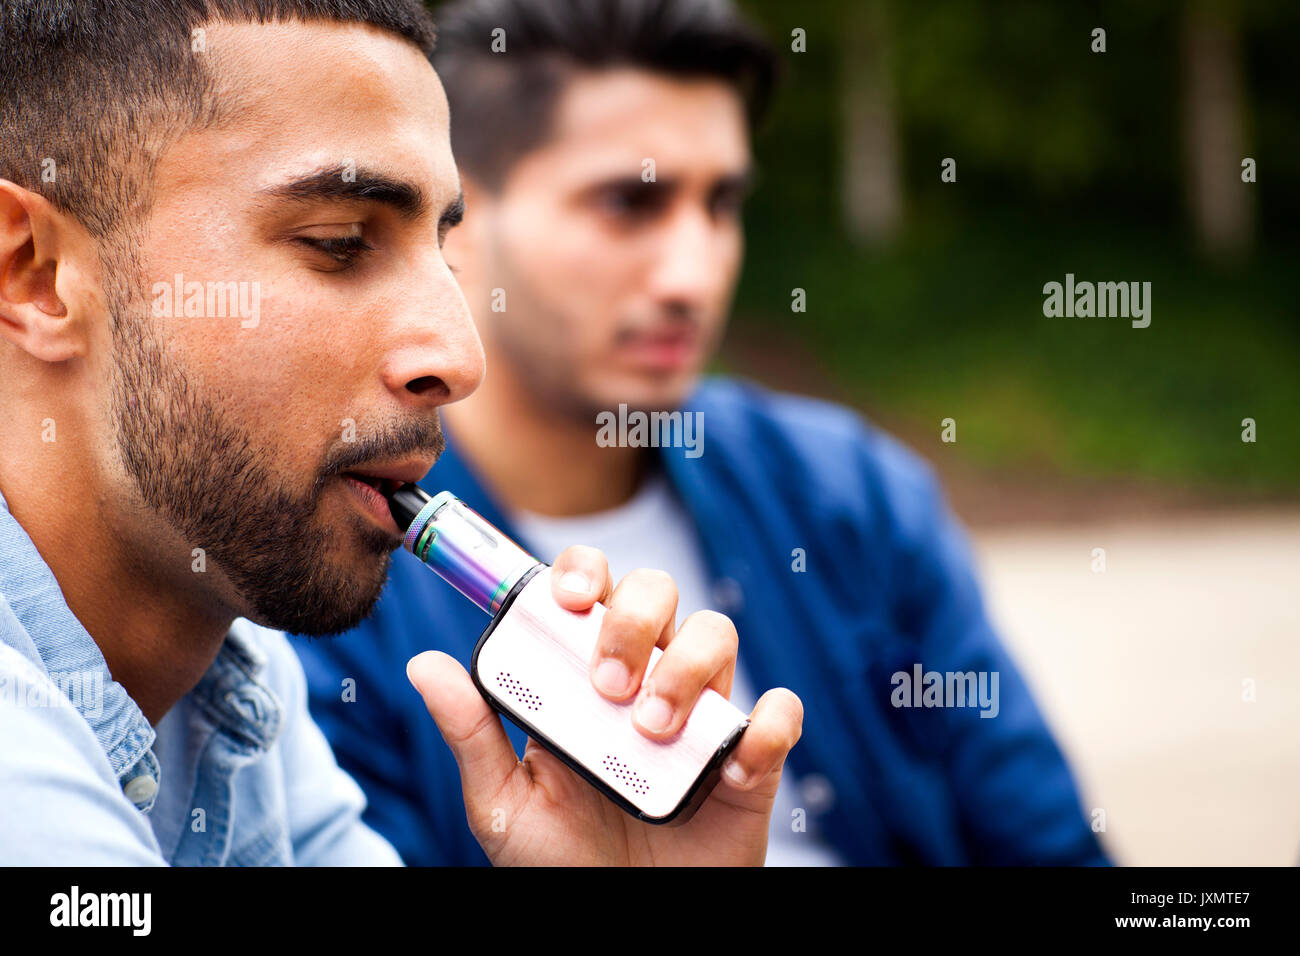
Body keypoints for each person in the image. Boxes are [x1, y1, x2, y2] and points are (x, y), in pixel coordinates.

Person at [291, 0, 1109, 865]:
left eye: (720, 203)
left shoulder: (848, 492)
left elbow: (1052, 847)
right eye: (630, 202)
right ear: (462, 217)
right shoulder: (331, 580)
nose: (694, 270)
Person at [0, 0, 803, 866]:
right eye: (340, 243)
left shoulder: (241, 677)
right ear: (37, 274)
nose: (459, 358)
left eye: (443, 252)